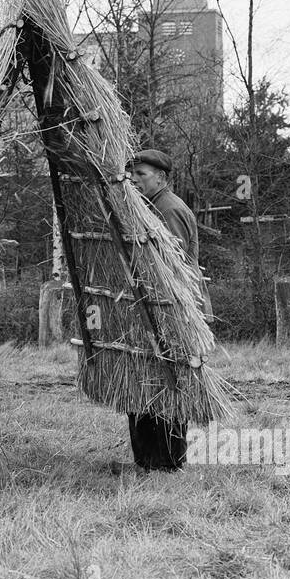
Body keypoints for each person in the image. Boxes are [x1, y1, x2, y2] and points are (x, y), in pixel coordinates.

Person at [114, 148, 207, 474]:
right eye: (133, 174)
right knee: (145, 383)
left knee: (168, 384)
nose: (134, 180)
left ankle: (167, 463)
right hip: (151, 309)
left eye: (141, 174)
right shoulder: (148, 207)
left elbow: (173, 268)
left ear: (162, 178)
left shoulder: (168, 210)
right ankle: (147, 461)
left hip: (172, 313)